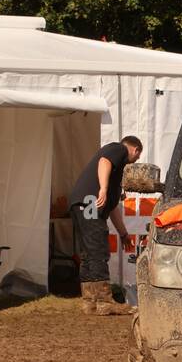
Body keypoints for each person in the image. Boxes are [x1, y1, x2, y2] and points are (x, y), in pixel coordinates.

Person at [68, 135, 142, 315]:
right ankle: (104, 301)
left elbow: (112, 208)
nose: (136, 159)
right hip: (89, 202)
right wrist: (103, 188)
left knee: (89, 253)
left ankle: (90, 302)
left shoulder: (116, 176)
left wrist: (124, 234)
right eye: (138, 156)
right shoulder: (119, 149)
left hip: (82, 204)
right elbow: (104, 161)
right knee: (98, 250)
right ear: (135, 150)